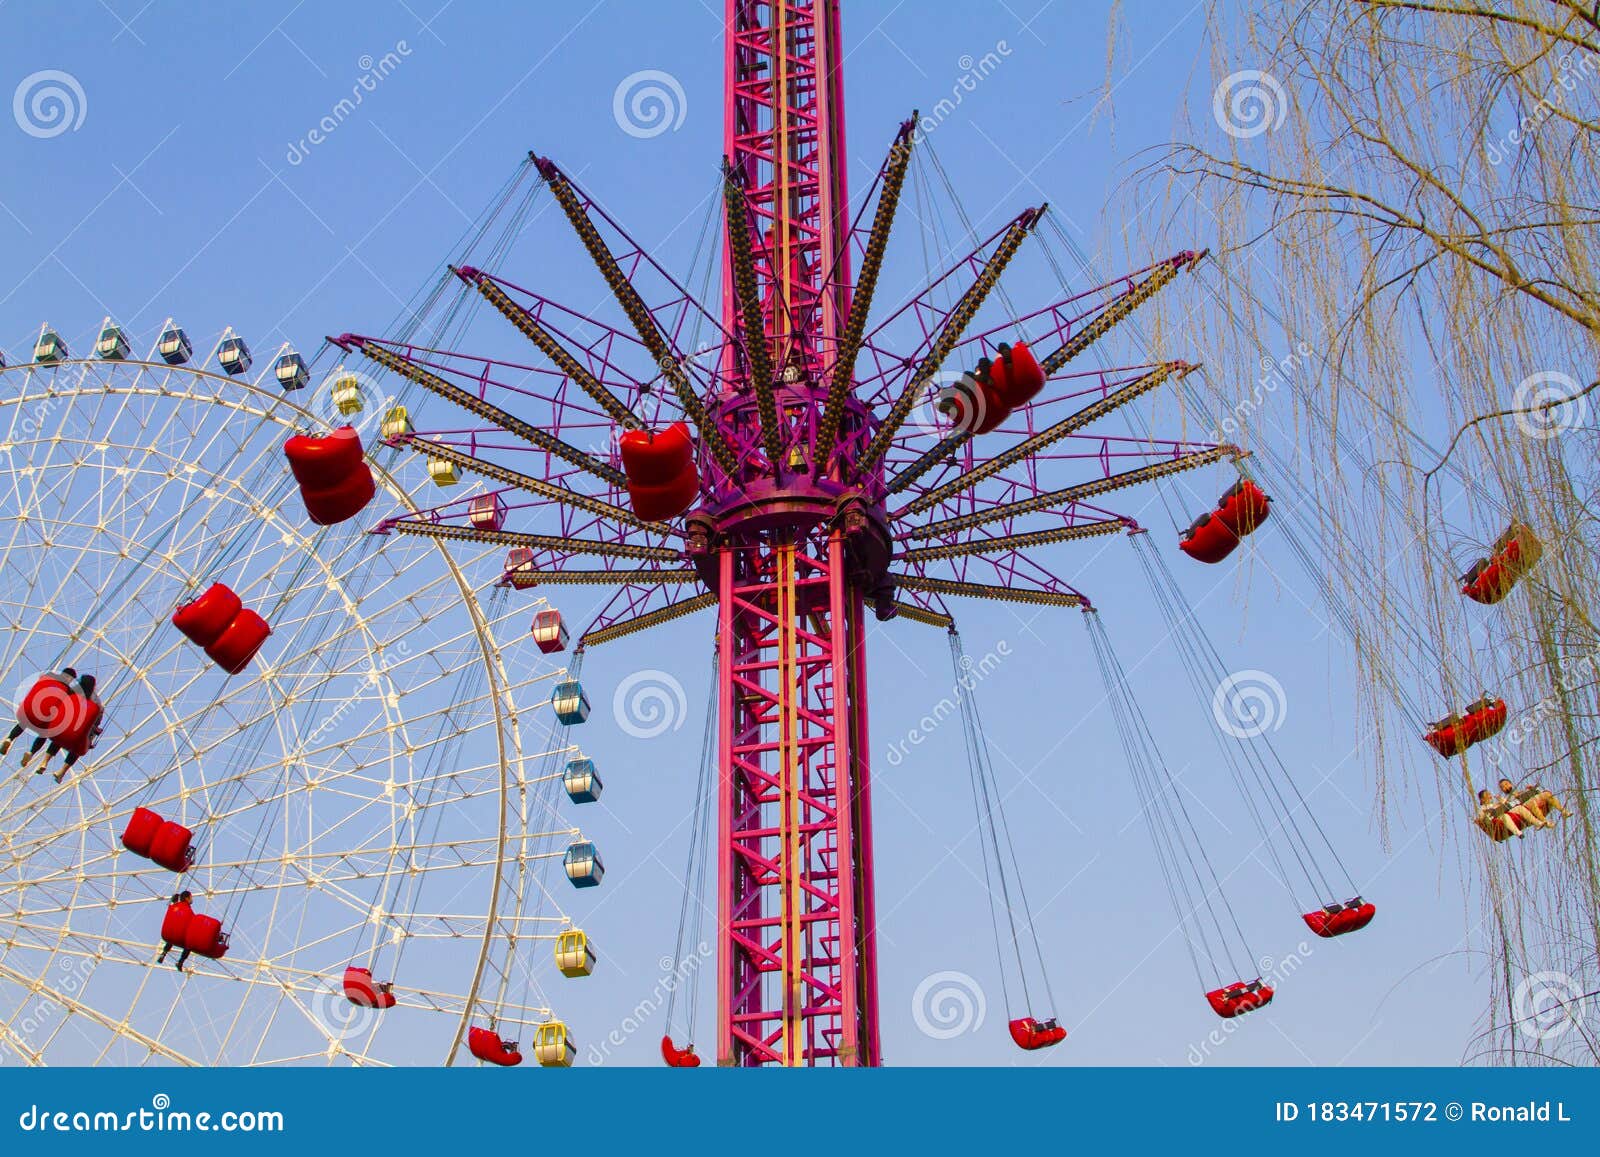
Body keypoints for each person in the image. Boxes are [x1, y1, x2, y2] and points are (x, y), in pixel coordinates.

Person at [22, 673, 103, 782]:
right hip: (77, 733)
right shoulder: (98, 703)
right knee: (76, 745)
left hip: (62, 725)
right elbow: (96, 721)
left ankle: (42, 759)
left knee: (57, 732)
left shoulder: (72, 690)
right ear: (93, 686)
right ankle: (62, 771)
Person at [1, 667, 76, 757]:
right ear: (70, 678)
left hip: (29, 710)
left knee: (23, 723)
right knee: (44, 734)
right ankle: (31, 752)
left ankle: (9, 739)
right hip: (44, 719)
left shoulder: (47, 676)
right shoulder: (68, 691)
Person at [1499, 776, 1570, 824]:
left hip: (1535, 800)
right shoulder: (1506, 799)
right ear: (1502, 790)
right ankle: (1544, 821)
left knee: (1547, 794)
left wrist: (1532, 789)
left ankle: (1563, 811)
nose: (1505, 787)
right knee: (1532, 803)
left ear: (1510, 783)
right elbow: (1509, 808)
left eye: (1506, 784)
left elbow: (1537, 792)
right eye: (1503, 787)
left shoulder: (1522, 790)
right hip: (1526, 808)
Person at [156, 890, 195, 972]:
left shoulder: (175, 906)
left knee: (173, 934)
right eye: (191, 897)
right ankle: (180, 962)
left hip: (168, 934)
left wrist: (174, 901)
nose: (192, 899)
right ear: (187, 898)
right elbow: (194, 923)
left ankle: (163, 953)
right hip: (180, 938)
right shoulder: (189, 911)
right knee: (189, 945)